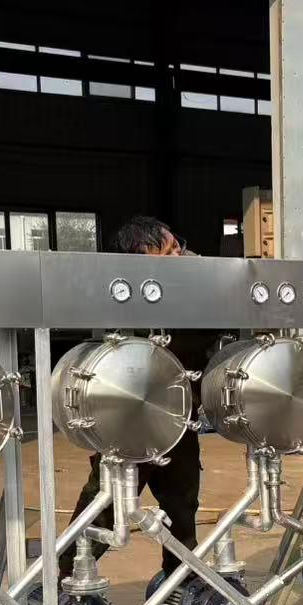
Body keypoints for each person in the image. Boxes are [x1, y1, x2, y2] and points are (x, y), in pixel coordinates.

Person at [67, 216, 222, 576]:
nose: (179, 258)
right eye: (167, 254)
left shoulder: (199, 290)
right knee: (105, 506)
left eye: (177, 248)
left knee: (182, 508)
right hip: (130, 423)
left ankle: (180, 582)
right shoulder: (123, 304)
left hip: (179, 418)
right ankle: (64, 580)